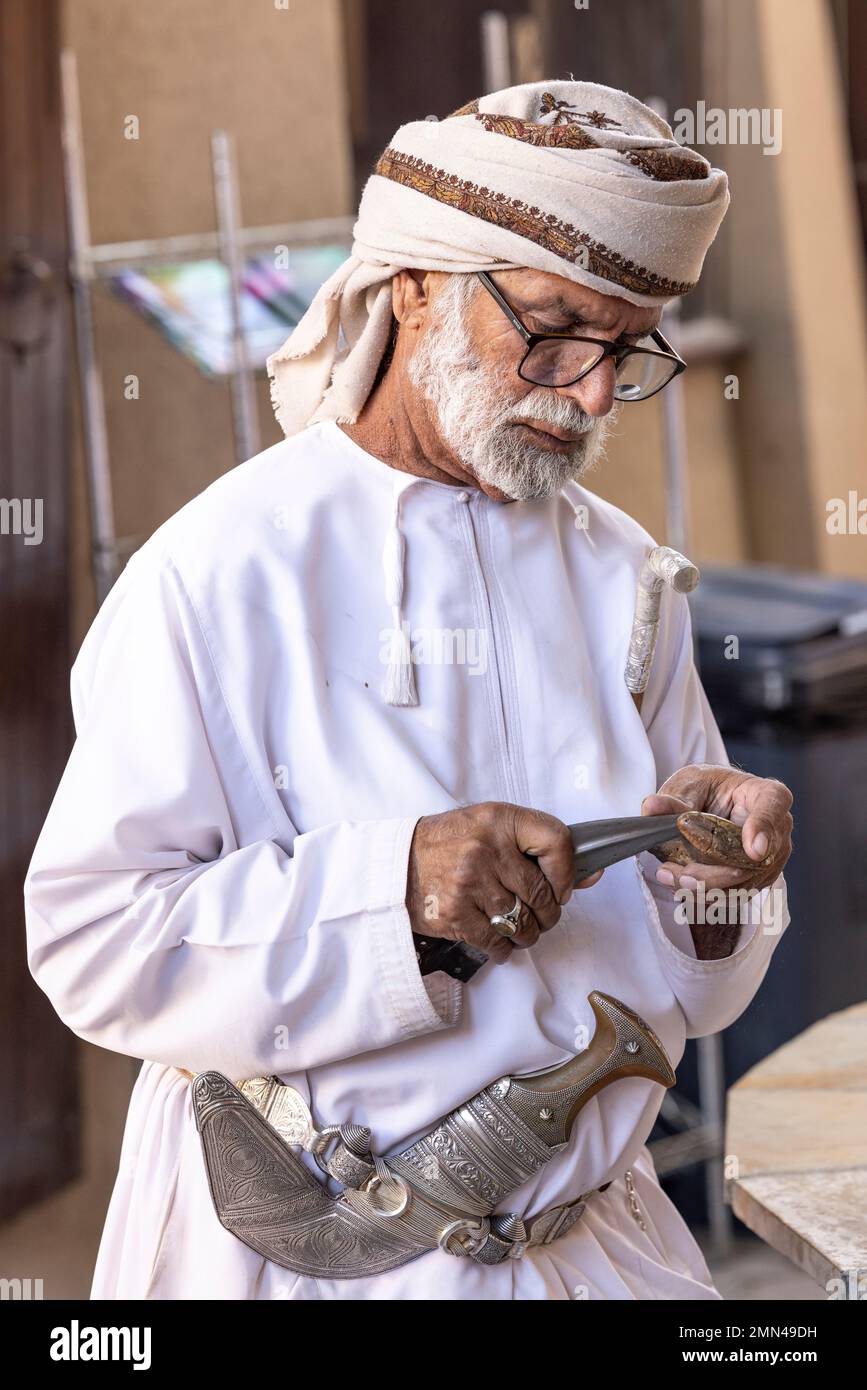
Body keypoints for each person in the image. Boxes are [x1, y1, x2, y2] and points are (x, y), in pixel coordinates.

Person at [24, 79, 793, 1300]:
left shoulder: (624, 577)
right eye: (550, 329)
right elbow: (94, 944)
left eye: (629, 347)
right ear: (417, 283)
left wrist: (712, 883)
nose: (592, 392)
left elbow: (695, 994)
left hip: (591, 1252)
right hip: (309, 1262)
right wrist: (396, 890)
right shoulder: (216, 574)